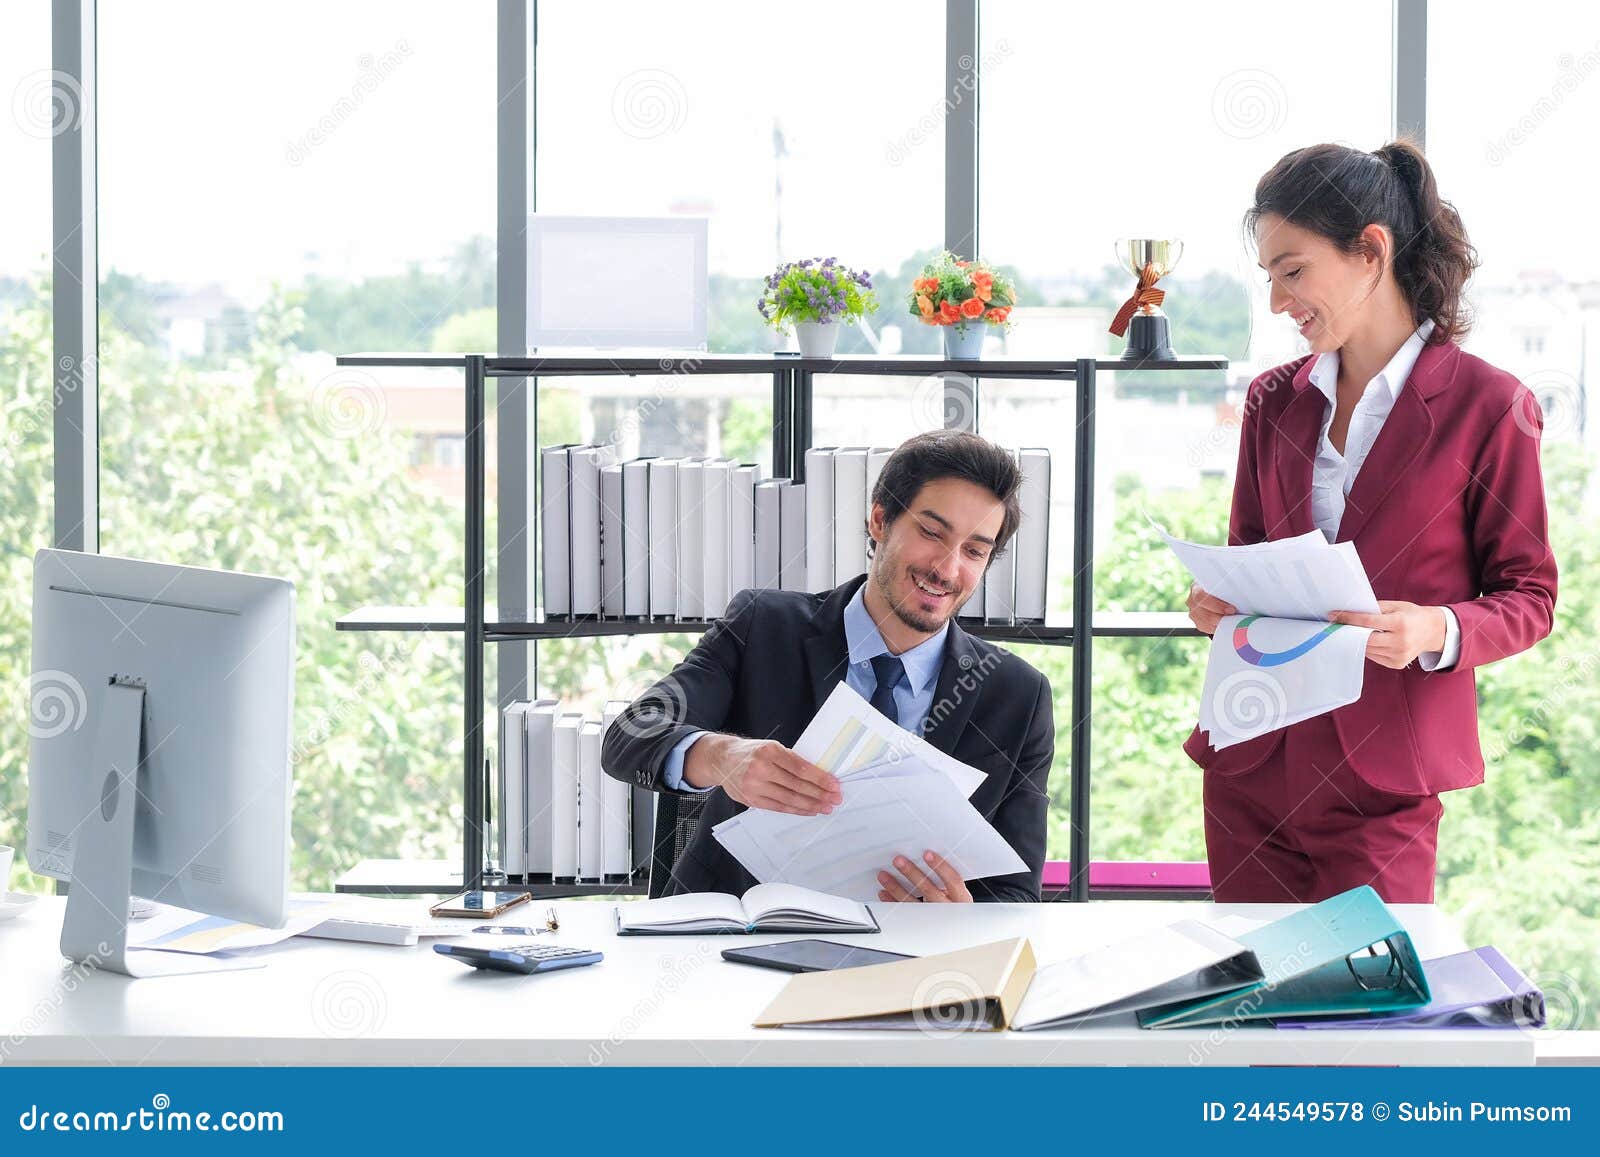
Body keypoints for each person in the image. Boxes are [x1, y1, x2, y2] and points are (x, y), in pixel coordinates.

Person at [1185, 139, 1557, 904]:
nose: (1279, 302)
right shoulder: (1271, 400)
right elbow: (1248, 556)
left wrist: (1434, 630)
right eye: (1271, 278)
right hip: (1252, 762)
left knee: (1368, 1013)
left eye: (1293, 271)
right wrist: (1217, 606)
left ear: (1370, 252)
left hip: (1383, 778)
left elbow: (1530, 596)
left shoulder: (1492, 406)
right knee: (1252, 1006)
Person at [602, 430, 1054, 902]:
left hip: (909, 962)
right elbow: (630, 735)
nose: (947, 567)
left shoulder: (1017, 696)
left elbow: (1016, 896)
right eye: (931, 533)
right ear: (881, 520)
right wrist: (721, 758)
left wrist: (961, 913)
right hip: (738, 947)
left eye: (975, 551)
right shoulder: (764, 628)